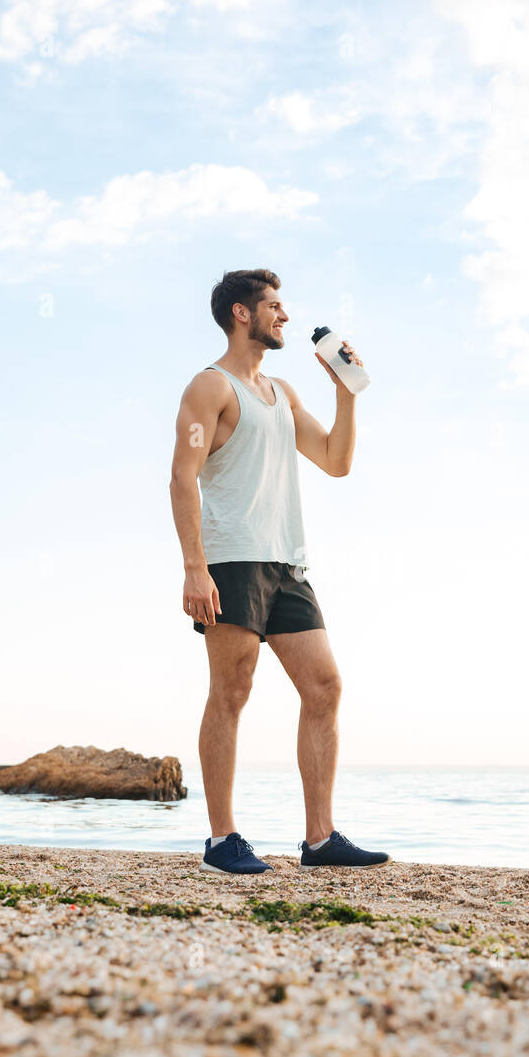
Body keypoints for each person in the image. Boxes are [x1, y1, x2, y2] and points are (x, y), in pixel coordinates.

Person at [169, 268, 389, 875]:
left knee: (324, 687)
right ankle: (222, 839)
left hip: (288, 563)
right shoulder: (208, 388)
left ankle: (320, 840)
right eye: (274, 306)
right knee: (231, 693)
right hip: (231, 559)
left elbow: (335, 462)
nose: (285, 316)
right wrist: (195, 568)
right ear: (242, 314)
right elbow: (181, 476)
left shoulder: (284, 393)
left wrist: (345, 391)